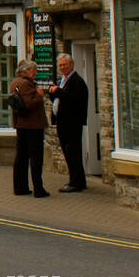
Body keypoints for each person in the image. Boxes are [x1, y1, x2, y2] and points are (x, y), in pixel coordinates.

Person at [46, 52, 90, 192]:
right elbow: (58, 99)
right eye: (60, 65)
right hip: (62, 121)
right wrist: (53, 93)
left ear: (71, 64)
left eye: (65, 64)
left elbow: (75, 100)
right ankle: (77, 180)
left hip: (72, 122)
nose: (62, 67)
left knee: (73, 152)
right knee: (67, 152)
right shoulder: (62, 80)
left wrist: (58, 92)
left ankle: (76, 182)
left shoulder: (77, 81)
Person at [10, 60, 49, 197]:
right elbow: (28, 104)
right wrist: (39, 95)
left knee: (21, 156)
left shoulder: (15, 82)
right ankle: (38, 189)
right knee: (36, 157)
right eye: (34, 70)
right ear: (27, 71)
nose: (35, 73)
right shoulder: (25, 84)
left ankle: (20, 187)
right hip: (32, 125)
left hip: (21, 125)